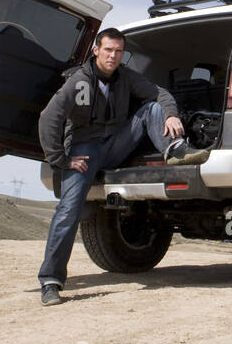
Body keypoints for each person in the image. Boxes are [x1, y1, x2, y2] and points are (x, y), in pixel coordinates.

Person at [36, 27, 208, 304]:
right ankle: (51, 281)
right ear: (96, 51)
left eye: (118, 52)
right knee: (69, 210)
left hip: (117, 145)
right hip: (85, 151)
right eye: (108, 50)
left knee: (151, 109)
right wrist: (60, 159)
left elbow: (159, 94)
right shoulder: (79, 81)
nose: (113, 56)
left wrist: (172, 115)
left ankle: (175, 150)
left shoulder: (125, 77)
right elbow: (48, 118)